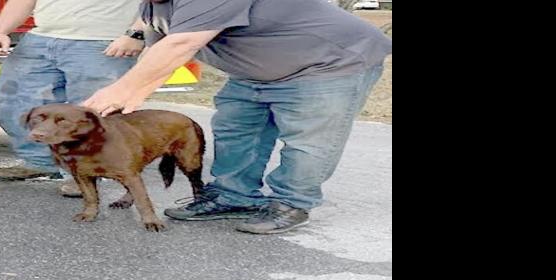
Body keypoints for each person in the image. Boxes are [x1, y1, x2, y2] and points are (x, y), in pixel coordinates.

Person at [83, 0, 391, 234]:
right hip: (253, 71)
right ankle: (234, 196)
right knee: (235, 130)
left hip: (329, 63)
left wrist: (119, 91)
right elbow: (159, 52)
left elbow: (182, 44)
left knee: (310, 140)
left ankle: (292, 203)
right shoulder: (156, 6)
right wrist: (131, 99)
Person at [0, 0, 150, 197]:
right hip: (40, 39)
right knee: (13, 104)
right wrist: (0, 32)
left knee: (94, 113)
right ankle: (41, 162)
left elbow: (158, 3)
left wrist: (137, 33)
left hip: (103, 42)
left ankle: (86, 172)